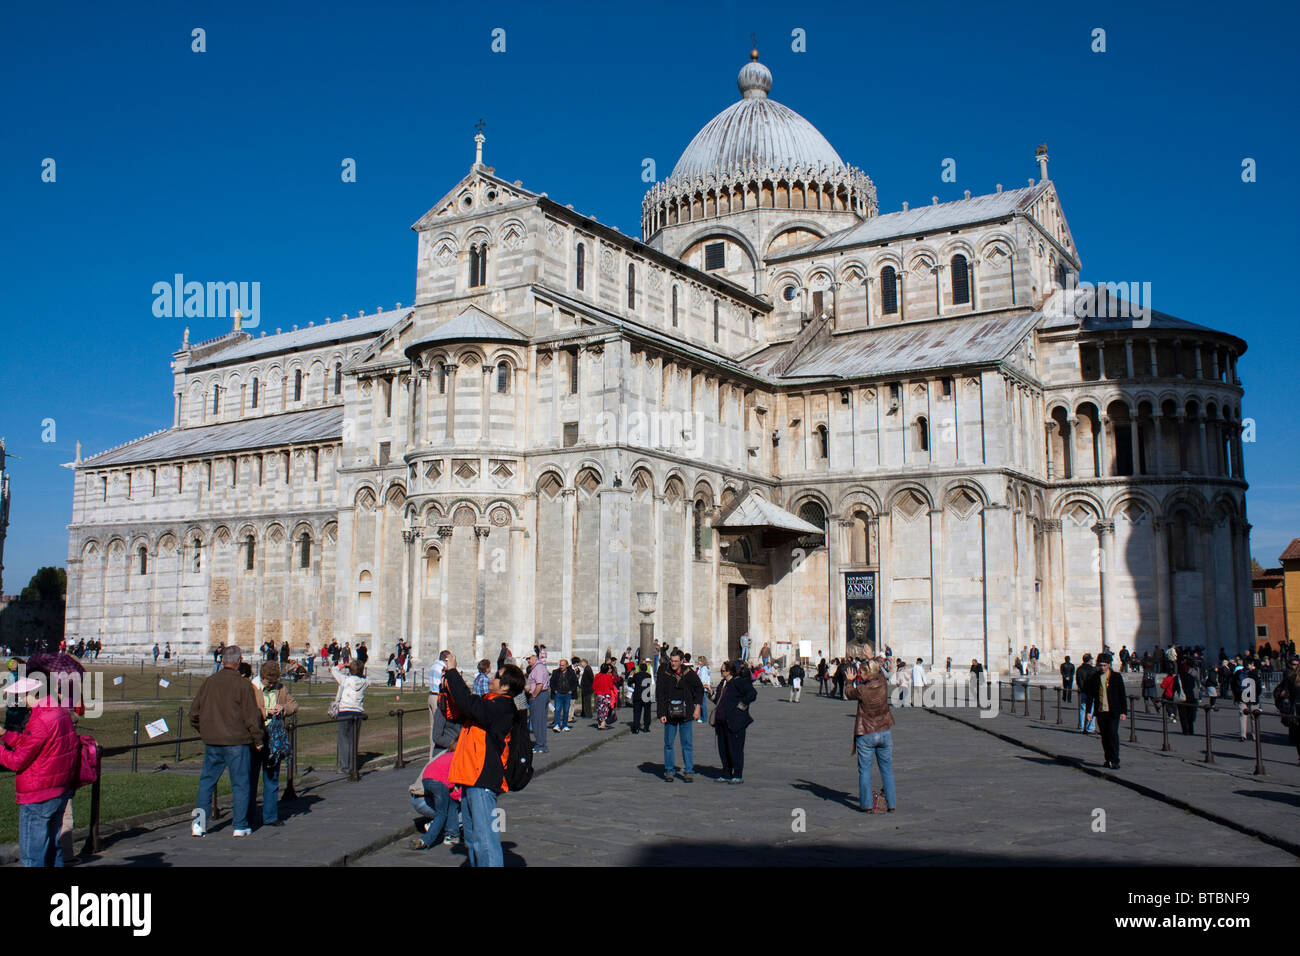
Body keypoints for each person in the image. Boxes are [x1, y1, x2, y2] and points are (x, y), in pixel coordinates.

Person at [440, 653, 523, 867]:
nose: (492, 678)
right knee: (474, 839)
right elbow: (458, 712)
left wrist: (453, 672)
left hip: (484, 779)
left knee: (486, 840)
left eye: (497, 676)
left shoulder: (502, 707)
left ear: (505, 687)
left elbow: (469, 704)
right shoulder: (490, 702)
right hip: (471, 777)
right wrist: (447, 685)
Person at [0, 670, 79, 865]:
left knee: (33, 855)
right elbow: (34, 744)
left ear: (33, 695)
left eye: (22, 696)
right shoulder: (59, 712)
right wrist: (4, 734)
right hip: (58, 788)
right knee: (53, 848)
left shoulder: (40, 719)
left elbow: (17, 760)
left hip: (38, 793)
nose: (20, 700)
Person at [189, 645, 264, 837]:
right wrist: (258, 739)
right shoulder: (243, 684)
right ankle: (239, 825)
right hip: (237, 741)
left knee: (206, 783)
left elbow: (193, 714)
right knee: (240, 784)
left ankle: (198, 825)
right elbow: (251, 716)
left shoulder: (209, 682)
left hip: (213, 741)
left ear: (222, 660)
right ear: (239, 661)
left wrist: (206, 730)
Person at [249, 661, 298, 828]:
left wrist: (283, 708)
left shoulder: (281, 688)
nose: (270, 686)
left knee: (272, 777)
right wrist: (265, 712)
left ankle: (270, 815)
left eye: (273, 683)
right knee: (251, 777)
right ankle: (249, 814)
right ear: (261, 678)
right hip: (256, 736)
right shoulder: (251, 688)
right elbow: (246, 711)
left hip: (274, 737)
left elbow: (293, 704)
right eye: (268, 683)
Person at [846, 649, 896, 813]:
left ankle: (867, 804)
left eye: (861, 673)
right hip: (884, 731)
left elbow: (848, 693)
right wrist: (871, 658)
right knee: (887, 769)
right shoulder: (882, 683)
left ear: (865, 675)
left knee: (865, 771)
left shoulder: (861, 689)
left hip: (867, 732)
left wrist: (849, 680)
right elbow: (880, 673)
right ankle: (892, 803)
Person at [657, 650, 703, 782]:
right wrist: (661, 713)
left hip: (686, 713)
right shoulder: (664, 673)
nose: (673, 663)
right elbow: (660, 694)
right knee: (668, 744)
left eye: (676, 661)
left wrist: (697, 707)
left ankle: (688, 771)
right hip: (669, 714)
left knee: (687, 743)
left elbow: (699, 689)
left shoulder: (689, 673)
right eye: (672, 660)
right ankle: (669, 770)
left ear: (682, 661)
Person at [407, 744, 463, 850]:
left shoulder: (445, 754)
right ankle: (426, 840)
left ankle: (452, 835)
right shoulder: (460, 757)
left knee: (450, 804)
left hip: (427, 781)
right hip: (438, 784)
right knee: (443, 813)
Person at [712, 660, 756, 784]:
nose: (721, 672)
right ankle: (726, 772)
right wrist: (710, 694)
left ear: (729, 671)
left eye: (723, 670)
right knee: (723, 749)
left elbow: (752, 694)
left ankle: (737, 774)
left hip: (735, 722)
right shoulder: (723, 683)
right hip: (722, 721)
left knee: (735, 749)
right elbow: (718, 701)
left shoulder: (739, 682)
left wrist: (742, 705)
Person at [1083, 652, 1128, 769]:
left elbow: (1122, 695)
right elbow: (1090, 696)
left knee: (1113, 734)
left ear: (1109, 665)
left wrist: (1124, 711)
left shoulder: (1116, 677)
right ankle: (1108, 758)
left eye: (1104, 665)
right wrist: (1089, 711)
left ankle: (1115, 760)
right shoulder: (1095, 677)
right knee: (1104, 736)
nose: (1102, 667)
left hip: (1113, 711)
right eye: (1100, 665)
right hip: (1101, 711)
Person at [331, 659, 368, 776]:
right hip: (357, 712)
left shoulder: (345, 680)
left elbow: (333, 669)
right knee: (353, 740)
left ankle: (344, 766)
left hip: (344, 711)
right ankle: (352, 765)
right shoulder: (365, 682)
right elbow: (367, 677)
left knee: (343, 740)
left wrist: (344, 665)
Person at [1273, 657, 1300, 764]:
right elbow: (1278, 691)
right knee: (1297, 736)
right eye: (1293, 664)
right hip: (1294, 709)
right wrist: (1282, 701)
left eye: (1297, 664)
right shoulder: (1288, 677)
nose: (1295, 667)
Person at [524, 652, 550, 754]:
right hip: (541, 695)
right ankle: (541, 744)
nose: (528, 661)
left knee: (537, 721)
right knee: (541, 721)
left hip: (539, 695)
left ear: (534, 658)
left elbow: (539, 684)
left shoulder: (538, 668)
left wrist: (534, 695)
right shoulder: (538, 667)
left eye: (529, 658)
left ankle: (540, 745)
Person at [550, 657, 577, 733]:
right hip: (558, 693)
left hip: (567, 694)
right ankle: (557, 725)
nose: (561, 667)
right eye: (560, 665)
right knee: (557, 710)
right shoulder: (555, 672)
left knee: (566, 710)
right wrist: (555, 690)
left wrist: (571, 690)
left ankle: (565, 725)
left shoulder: (571, 672)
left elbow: (575, 682)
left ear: (566, 665)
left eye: (563, 665)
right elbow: (551, 682)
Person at [1075, 653, 1097, 732]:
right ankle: (1090, 727)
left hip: (1083, 691)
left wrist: (1081, 688)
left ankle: (1081, 726)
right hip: (1091, 691)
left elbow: (1078, 680)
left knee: (1083, 708)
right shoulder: (1093, 669)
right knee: (1091, 708)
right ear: (1090, 660)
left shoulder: (1079, 669)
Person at [1176, 659, 1198, 735]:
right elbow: (1193, 686)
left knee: (1183, 715)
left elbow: (1175, 688)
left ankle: (1185, 730)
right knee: (1190, 715)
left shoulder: (1178, 678)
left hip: (1181, 697)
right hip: (1191, 697)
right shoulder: (1191, 677)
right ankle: (1191, 730)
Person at [593, 663, 618, 730]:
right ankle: (603, 724)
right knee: (605, 709)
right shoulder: (608, 677)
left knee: (599, 709)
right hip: (606, 694)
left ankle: (599, 723)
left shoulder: (597, 676)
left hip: (598, 694)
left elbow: (594, 685)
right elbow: (611, 686)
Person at [630, 661, 653, 733]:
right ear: (646, 669)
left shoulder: (636, 675)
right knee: (647, 712)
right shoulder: (649, 675)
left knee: (637, 712)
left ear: (639, 669)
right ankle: (646, 727)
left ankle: (636, 727)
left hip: (638, 695)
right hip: (646, 695)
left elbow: (629, 682)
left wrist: (631, 675)